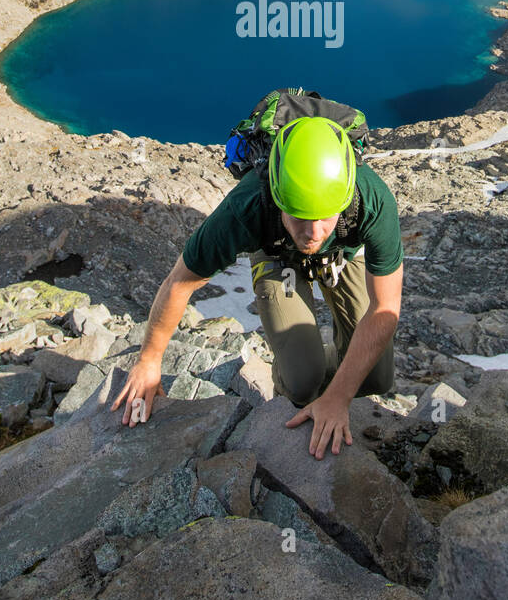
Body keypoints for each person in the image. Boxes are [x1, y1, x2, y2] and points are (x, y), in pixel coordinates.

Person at [113, 115, 404, 458]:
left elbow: (385, 308)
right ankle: (295, 374)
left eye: (326, 215)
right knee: (301, 382)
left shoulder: (372, 200)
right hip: (277, 254)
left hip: (343, 253)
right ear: (278, 196)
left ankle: (328, 377)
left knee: (377, 379)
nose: (312, 232)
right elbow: (180, 282)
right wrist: (149, 360)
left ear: (344, 200)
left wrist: (339, 397)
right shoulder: (247, 206)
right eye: (298, 215)